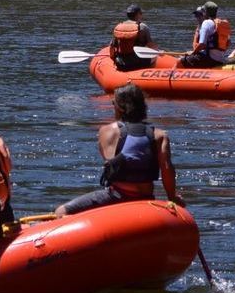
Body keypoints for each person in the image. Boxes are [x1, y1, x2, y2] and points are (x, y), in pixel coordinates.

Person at [55, 84, 181, 217]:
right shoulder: (160, 135)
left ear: (120, 107)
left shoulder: (107, 131)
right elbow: (167, 169)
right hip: (146, 197)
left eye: (113, 102)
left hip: (115, 197)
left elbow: (109, 164)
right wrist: (172, 197)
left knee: (61, 211)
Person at [179, 2, 230, 67]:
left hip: (209, 59)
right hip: (220, 59)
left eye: (203, 11)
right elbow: (228, 42)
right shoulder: (220, 24)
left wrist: (193, 53)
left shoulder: (206, 23)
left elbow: (202, 44)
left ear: (206, 12)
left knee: (180, 61)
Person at [111, 5, 155, 71]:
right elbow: (151, 46)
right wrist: (159, 52)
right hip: (137, 64)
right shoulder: (143, 27)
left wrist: (113, 60)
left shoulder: (119, 27)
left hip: (120, 63)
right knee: (155, 56)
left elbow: (112, 47)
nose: (141, 15)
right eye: (141, 13)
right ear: (137, 14)